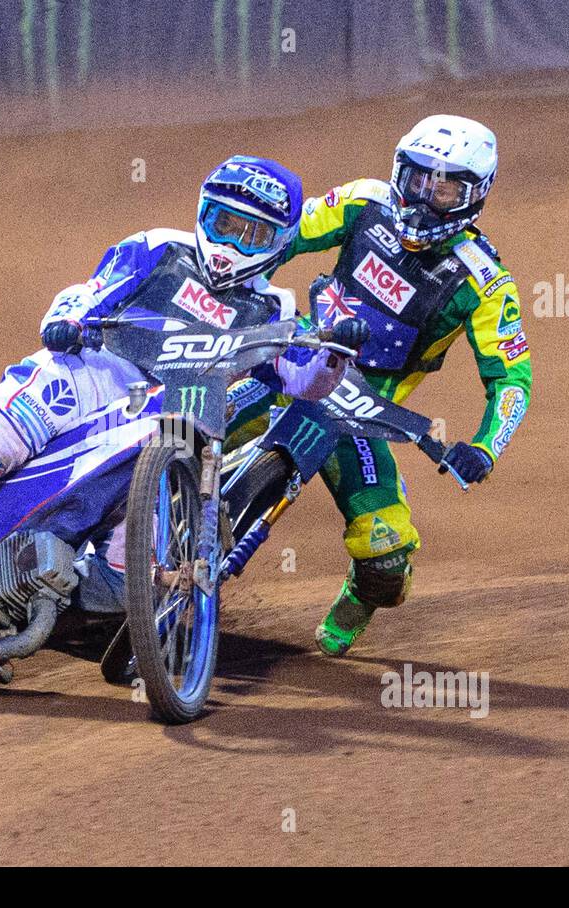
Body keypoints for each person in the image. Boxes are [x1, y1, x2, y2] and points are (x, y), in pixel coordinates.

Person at [0, 155, 368, 641]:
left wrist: (334, 355)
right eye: (222, 222)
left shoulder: (277, 311)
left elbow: (300, 383)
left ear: (281, 241)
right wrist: (67, 319)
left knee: (120, 574)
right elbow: (84, 293)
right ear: (202, 213)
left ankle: (16, 594)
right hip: (83, 376)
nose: (232, 241)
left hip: (164, 420)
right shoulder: (157, 248)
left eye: (252, 233)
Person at [225, 115, 533, 657]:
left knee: (387, 558)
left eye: (443, 189)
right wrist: (228, 282)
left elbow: (512, 379)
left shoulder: (484, 282)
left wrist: (485, 448)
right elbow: (282, 236)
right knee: (174, 429)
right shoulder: (364, 201)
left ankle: (362, 595)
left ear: (474, 195)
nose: (422, 198)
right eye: (416, 179)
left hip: (360, 415)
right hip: (291, 359)